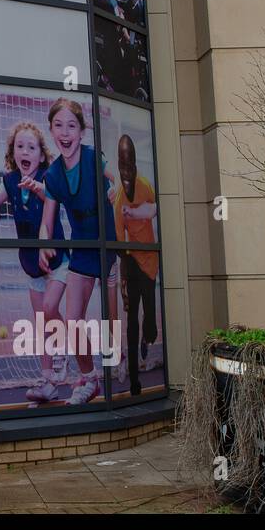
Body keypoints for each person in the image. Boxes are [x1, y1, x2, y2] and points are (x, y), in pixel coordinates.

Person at [38, 98, 118, 405]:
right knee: (72, 320)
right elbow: (47, 221)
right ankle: (89, 378)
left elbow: (118, 181)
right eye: (58, 125)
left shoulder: (93, 157)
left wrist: (115, 189)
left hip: (107, 244)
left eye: (72, 125)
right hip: (82, 248)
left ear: (81, 132)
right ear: (51, 131)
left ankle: (118, 362)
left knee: (111, 318)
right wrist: (45, 244)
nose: (65, 131)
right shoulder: (54, 175)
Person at [0, 122, 71, 403]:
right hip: (31, 263)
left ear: (41, 155)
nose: (25, 151)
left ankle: (65, 348)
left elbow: (53, 197)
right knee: (40, 321)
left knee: (49, 309)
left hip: (56, 259)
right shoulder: (10, 181)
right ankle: (47, 379)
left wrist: (39, 189)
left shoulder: (48, 177)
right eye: (19, 146)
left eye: (31, 147)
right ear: (13, 152)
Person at [113, 135, 158, 395]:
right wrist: (123, 284)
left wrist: (140, 212)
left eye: (130, 165)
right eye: (122, 166)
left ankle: (147, 337)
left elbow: (153, 210)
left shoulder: (145, 186)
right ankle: (134, 381)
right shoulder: (119, 201)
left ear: (136, 166)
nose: (126, 172)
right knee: (132, 320)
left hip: (150, 261)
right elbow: (121, 248)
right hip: (132, 262)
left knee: (149, 325)